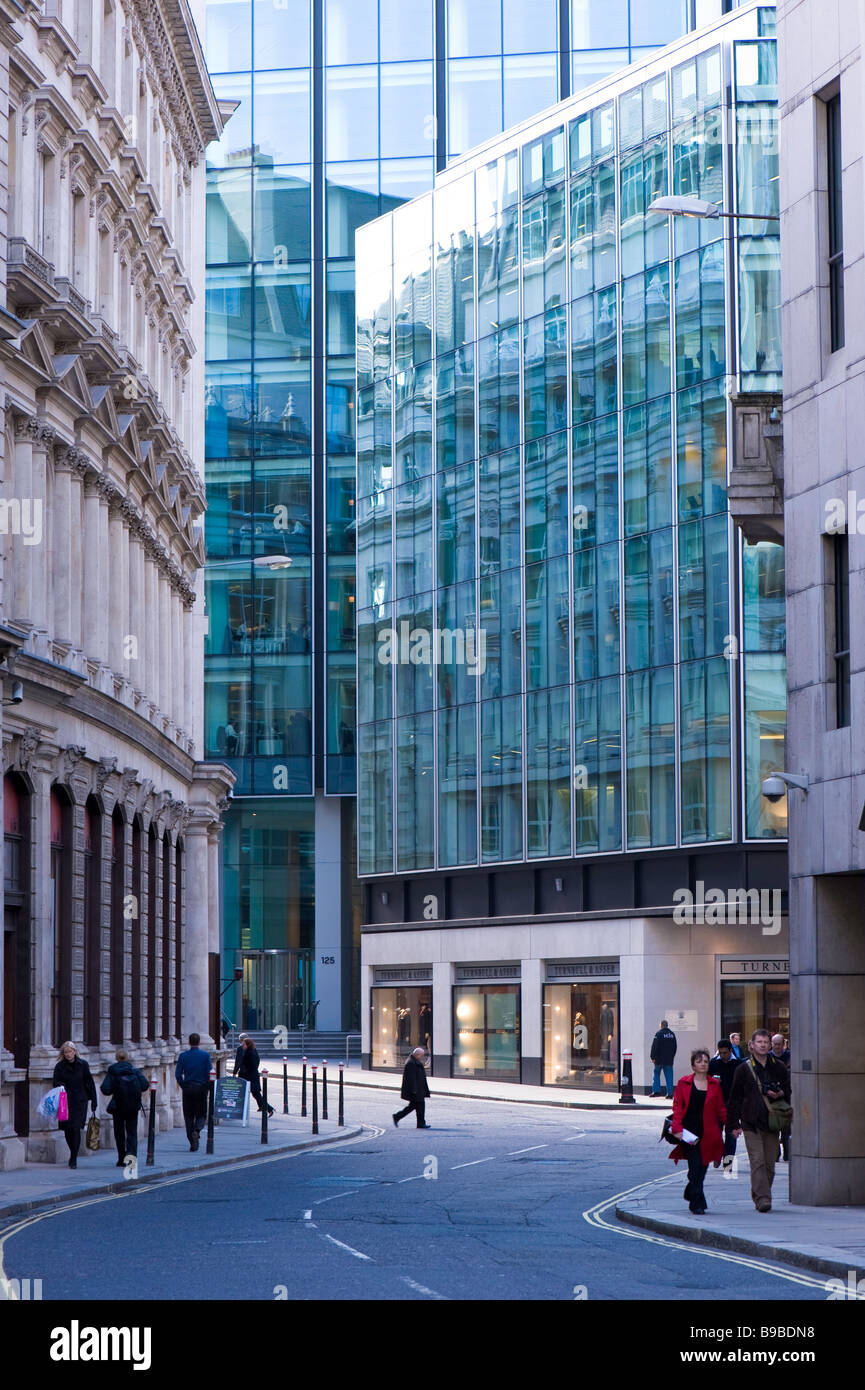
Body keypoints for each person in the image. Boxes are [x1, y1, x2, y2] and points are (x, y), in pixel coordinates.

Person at [726, 1028, 791, 1213]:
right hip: (750, 1122)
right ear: (752, 1045)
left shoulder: (778, 1066)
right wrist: (733, 1124)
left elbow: (788, 1090)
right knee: (758, 1161)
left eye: (766, 1042)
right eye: (759, 1042)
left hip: (772, 1122)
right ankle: (763, 1198)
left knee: (770, 1164)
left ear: (770, 1045)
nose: (763, 1045)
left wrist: (780, 1093)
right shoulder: (742, 1068)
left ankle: (760, 1192)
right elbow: (735, 1098)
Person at [669, 1048, 726, 1214]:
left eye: (706, 1061)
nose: (703, 1064)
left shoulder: (715, 1085)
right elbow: (678, 1107)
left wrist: (732, 1125)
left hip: (709, 1132)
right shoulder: (683, 1083)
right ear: (693, 1065)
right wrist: (677, 1128)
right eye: (699, 1061)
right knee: (695, 1166)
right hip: (689, 1133)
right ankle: (697, 1203)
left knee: (703, 1167)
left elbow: (720, 1108)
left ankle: (690, 1190)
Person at [52, 1041, 98, 1169]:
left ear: (74, 1051)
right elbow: (55, 1082)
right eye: (65, 1052)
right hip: (65, 1101)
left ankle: (73, 1158)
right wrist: (61, 1085)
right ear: (63, 1053)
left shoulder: (83, 1065)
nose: (68, 1054)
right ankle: (72, 1152)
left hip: (80, 1101)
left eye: (70, 1052)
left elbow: (90, 1083)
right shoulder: (59, 1067)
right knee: (67, 1129)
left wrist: (94, 1101)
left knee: (76, 1128)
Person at [100, 1049, 149, 1167]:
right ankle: (131, 1158)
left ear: (117, 1058)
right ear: (127, 1058)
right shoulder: (134, 1071)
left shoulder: (113, 1071)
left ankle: (121, 1158)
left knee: (119, 1133)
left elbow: (105, 1089)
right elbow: (145, 1085)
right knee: (132, 1132)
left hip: (118, 1106)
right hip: (132, 1106)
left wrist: (116, 1089)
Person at [708, 1039, 742, 1170]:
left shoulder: (738, 1064)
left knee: (731, 1136)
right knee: (715, 1134)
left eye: (725, 1053)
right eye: (720, 1053)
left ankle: (728, 1164)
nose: (723, 1056)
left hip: (732, 1106)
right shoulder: (713, 1064)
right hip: (716, 1105)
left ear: (730, 1051)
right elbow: (706, 1081)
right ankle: (719, 1154)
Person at [175, 1033, 212, 1152]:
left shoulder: (183, 1056)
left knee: (188, 1115)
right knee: (201, 1113)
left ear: (189, 1042)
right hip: (201, 1088)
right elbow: (210, 1072)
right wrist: (207, 1086)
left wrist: (183, 1085)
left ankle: (192, 1142)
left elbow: (178, 1074)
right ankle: (197, 1130)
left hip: (188, 1088)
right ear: (199, 1042)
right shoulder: (205, 1056)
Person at [393, 1047, 431, 1129]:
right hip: (416, 1090)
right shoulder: (411, 1063)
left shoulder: (414, 1061)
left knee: (414, 1106)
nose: (422, 1057)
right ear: (417, 1055)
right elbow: (411, 1078)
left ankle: (398, 1117)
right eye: (421, 1055)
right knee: (418, 1106)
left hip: (418, 1089)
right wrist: (414, 1090)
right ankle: (419, 1123)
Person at [235, 1035, 273, 1116]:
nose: (242, 1045)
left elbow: (250, 1065)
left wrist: (244, 1071)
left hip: (249, 1077)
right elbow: (257, 1061)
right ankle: (267, 1108)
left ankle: (269, 1109)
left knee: (254, 1094)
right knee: (256, 1094)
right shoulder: (252, 1050)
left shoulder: (250, 1053)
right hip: (252, 1075)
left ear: (247, 1045)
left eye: (244, 1044)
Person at [770, 1035, 792, 1159]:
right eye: (774, 1044)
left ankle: (787, 1153)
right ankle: (775, 1153)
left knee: (786, 1127)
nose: (777, 1046)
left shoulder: (789, 1057)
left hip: (786, 1097)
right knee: (773, 1128)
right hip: (772, 1097)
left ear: (783, 1044)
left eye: (779, 1044)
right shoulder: (768, 1058)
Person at [649, 1020, 677, 1098]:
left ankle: (656, 1091)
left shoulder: (659, 1034)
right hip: (669, 1060)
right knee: (669, 1076)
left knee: (656, 1074)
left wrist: (652, 1057)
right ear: (667, 1025)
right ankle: (670, 1094)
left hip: (659, 1059)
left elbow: (654, 1046)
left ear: (661, 1025)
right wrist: (672, 1056)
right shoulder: (672, 1034)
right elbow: (675, 1047)